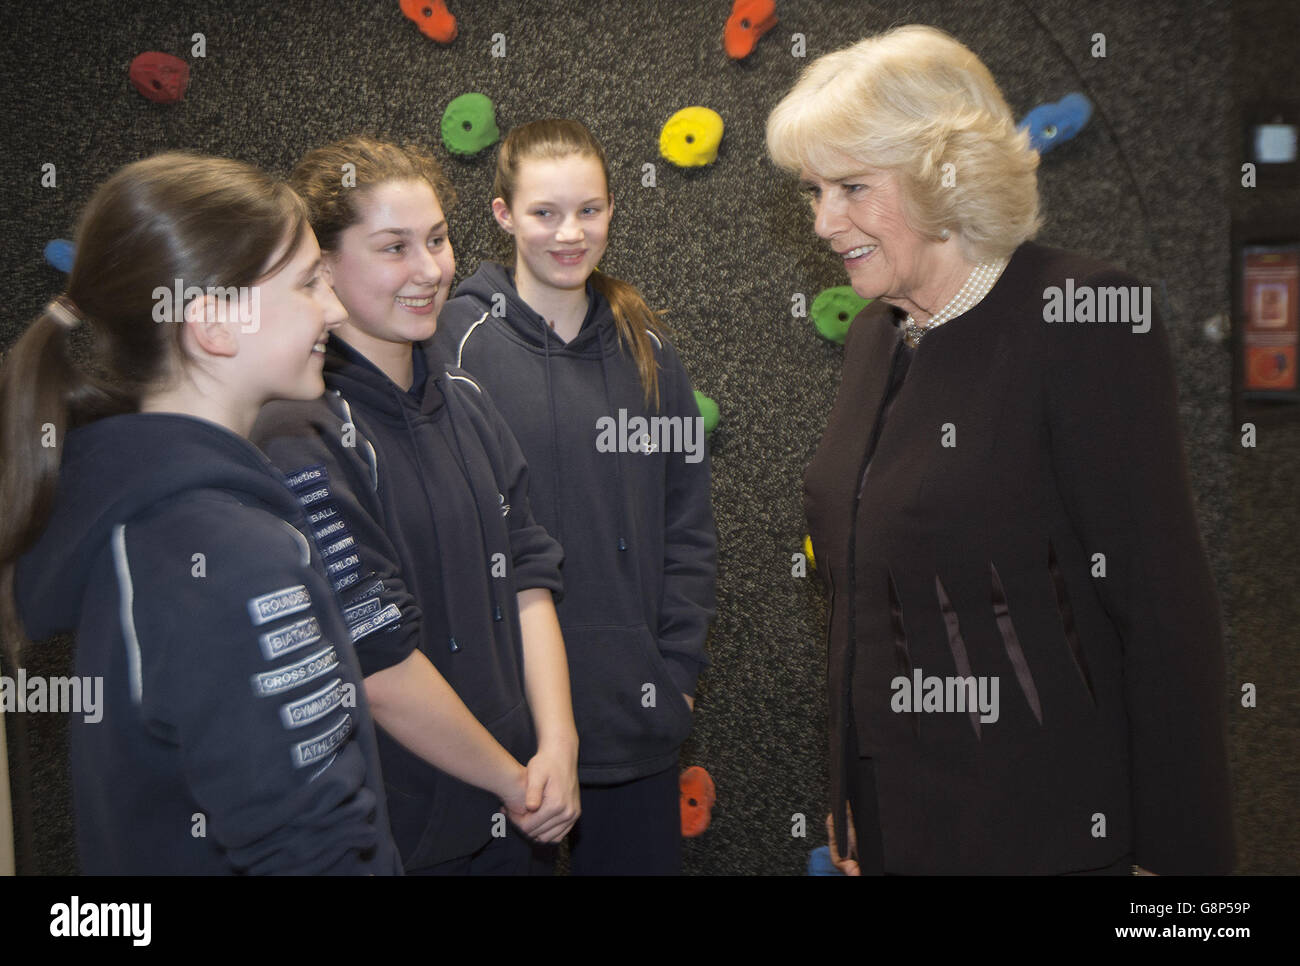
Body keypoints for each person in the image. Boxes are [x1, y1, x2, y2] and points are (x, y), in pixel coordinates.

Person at [766, 24, 1234, 875]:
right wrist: (847, 796)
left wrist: (1178, 873)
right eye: (814, 191)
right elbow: (861, 600)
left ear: (947, 175)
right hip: (894, 821)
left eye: (852, 188)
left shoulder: (1083, 316)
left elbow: (1163, 609)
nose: (826, 222)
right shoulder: (877, 333)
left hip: (1046, 831)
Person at [0, 152, 402, 874]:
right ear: (215, 326)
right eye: (310, 282)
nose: (336, 308)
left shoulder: (141, 517)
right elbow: (316, 850)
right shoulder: (223, 553)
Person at [252, 136, 578, 875]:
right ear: (325, 267)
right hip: (402, 832)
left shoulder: (467, 401)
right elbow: (377, 659)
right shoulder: (298, 431)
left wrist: (557, 746)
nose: (430, 270)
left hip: (519, 808)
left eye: (436, 239)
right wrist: (511, 780)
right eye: (394, 247)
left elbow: (530, 574)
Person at [436, 118, 717, 875]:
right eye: (544, 213)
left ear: (613, 210)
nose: (570, 234)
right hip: (499, 741)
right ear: (502, 215)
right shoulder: (449, 349)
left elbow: (688, 528)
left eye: (589, 211)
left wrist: (676, 679)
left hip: (633, 727)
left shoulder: (649, 353)